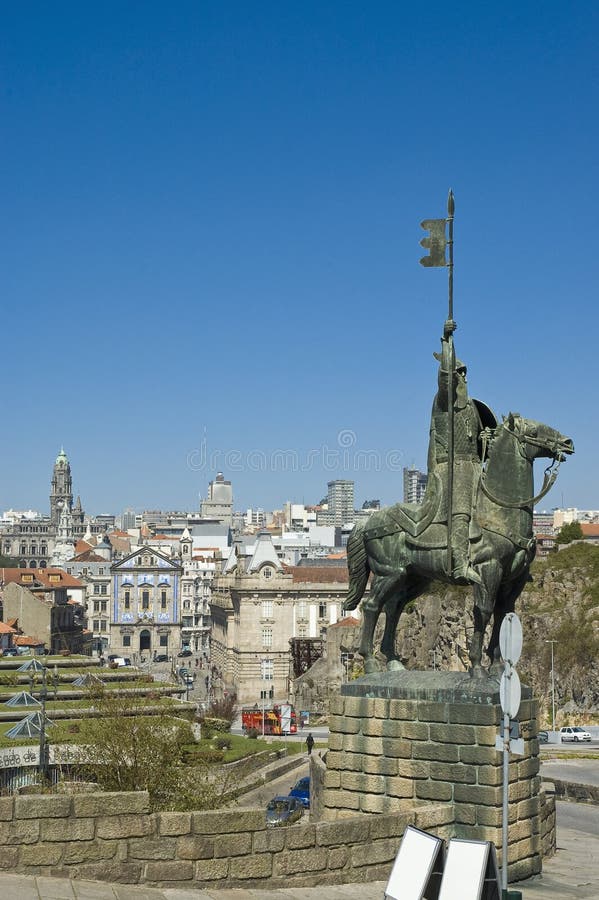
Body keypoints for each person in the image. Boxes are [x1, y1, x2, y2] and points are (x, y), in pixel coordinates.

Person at [427, 320, 496, 585]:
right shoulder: (443, 402)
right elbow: (443, 377)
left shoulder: (473, 409)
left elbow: (479, 439)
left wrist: (485, 438)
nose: (463, 377)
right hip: (452, 468)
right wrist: (447, 341)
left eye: (465, 373)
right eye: (460, 373)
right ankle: (458, 563)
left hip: (474, 466)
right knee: (461, 510)